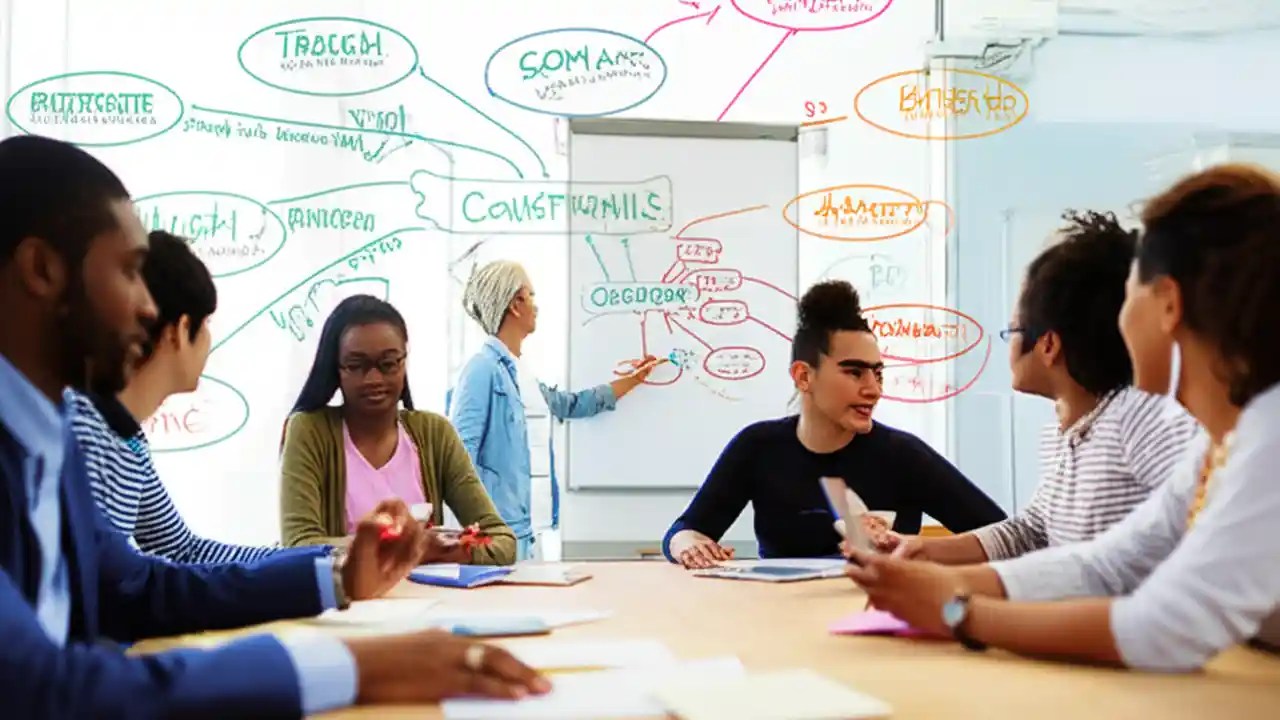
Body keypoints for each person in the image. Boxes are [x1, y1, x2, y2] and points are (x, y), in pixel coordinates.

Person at [0, 135, 547, 717]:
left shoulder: (50, 434)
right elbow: (44, 687)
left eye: (392, 363)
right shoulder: (67, 435)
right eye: (131, 271)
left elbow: (144, 587)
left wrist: (337, 575)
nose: (145, 305)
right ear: (42, 270)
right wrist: (355, 663)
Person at [846, 164, 1280, 670]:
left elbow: (1164, 628)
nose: (1116, 320)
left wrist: (956, 610)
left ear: (1167, 303)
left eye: (1130, 294)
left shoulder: (1266, 437)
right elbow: (1108, 562)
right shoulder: (1224, 441)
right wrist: (941, 583)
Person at [877, 211, 1200, 564]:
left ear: (1048, 346)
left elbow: (1201, 536)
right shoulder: (1065, 432)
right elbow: (1031, 530)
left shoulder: (1138, 421)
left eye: (1013, 331)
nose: (1009, 345)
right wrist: (922, 549)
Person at [663, 280, 1007, 569]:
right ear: (803, 375)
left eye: (878, 373)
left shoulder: (903, 455)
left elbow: (1004, 538)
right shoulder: (758, 447)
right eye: (854, 372)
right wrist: (686, 543)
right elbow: (686, 530)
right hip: (778, 621)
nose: (873, 389)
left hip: (879, 621)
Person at [68, 230, 292, 562]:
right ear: (180, 329)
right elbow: (117, 587)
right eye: (207, 324)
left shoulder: (130, 440)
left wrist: (312, 562)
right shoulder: (83, 433)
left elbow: (181, 549)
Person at [280, 294, 518, 565]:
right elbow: (298, 547)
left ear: (404, 362)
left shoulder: (434, 434)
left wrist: (443, 550)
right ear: (336, 368)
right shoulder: (309, 431)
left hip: (430, 604)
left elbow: (502, 541)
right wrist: (404, 547)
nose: (373, 379)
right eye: (356, 366)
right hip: (346, 606)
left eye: (388, 364)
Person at [449, 260, 662, 560]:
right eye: (531, 296)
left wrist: (633, 380)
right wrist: (474, 531)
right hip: (495, 534)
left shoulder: (522, 374)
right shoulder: (482, 370)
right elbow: (460, 456)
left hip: (531, 531)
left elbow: (572, 404)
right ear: (515, 304)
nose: (536, 307)